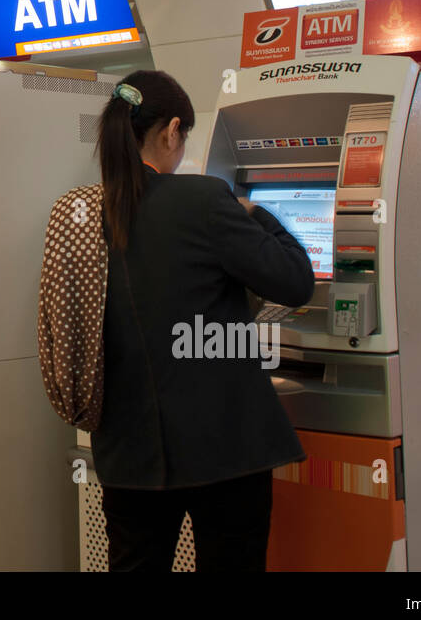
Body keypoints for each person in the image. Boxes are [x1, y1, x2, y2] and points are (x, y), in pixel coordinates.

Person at [92, 69, 314, 572]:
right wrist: (255, 212)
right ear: (171, 131)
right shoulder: (205, 199)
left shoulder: (87, 211)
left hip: (128, 452)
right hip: (224, 451)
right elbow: (296, 282)